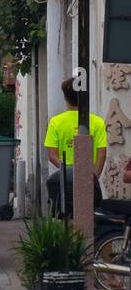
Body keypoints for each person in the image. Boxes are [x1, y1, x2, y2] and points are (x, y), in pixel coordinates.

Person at [44, 76, 108, 215]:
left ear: (65, 97)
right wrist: (93, 177)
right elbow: (102, 154)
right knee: (90, 219)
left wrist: (67, 172)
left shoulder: (56, 122)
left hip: (64, 183)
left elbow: (52, 155)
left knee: (65, 219)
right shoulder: (97, 122)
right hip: (89, 179)